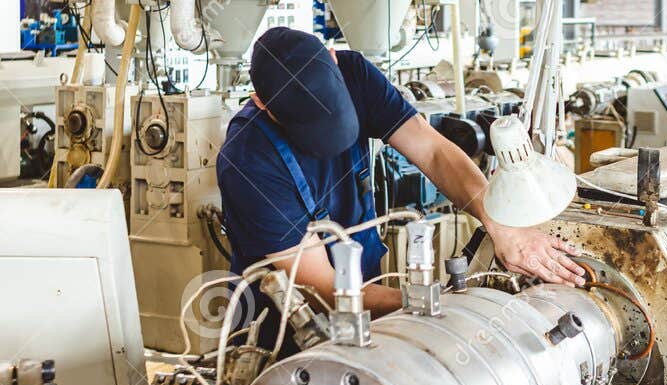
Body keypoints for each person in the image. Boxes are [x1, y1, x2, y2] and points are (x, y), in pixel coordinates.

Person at [217, 28, 581, 347]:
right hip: (289, 330)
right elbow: (322, 289)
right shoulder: (247, 160)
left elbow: (433, 152)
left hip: (367, 283)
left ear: (333, 58)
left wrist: (502, 226)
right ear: (260, 102)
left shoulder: (354, 73)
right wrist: (436, 302)